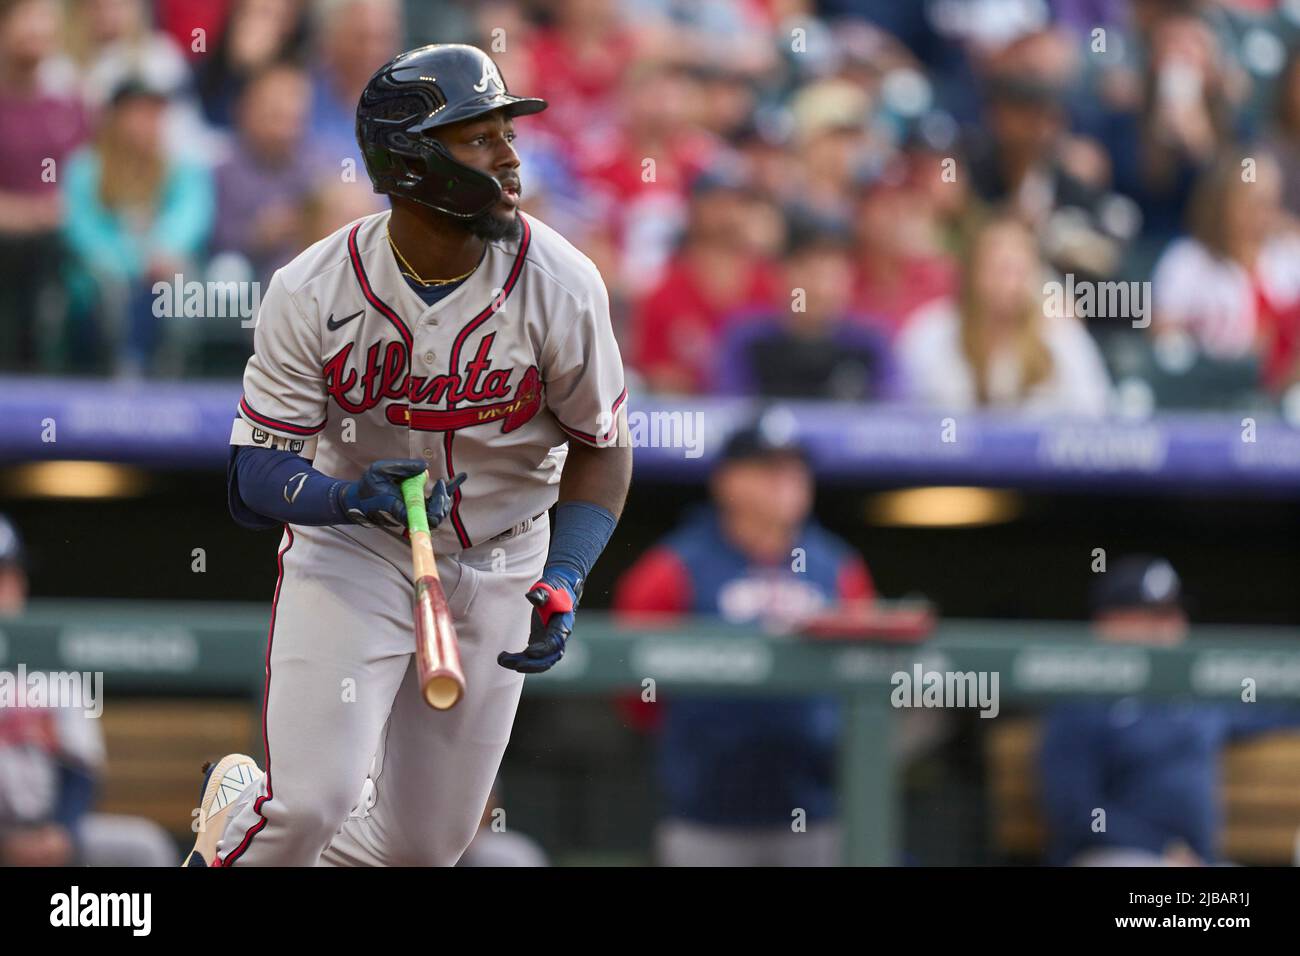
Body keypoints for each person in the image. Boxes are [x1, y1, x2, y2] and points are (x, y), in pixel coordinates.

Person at [187, 44, 631, 868]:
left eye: (506, 132)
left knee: (424, 848)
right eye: (476, 137)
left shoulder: (563, 284)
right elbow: (253, 476)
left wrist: (566, 574)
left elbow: (602, 448)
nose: (509, 157)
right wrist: (347, 500)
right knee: (310, 804)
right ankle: (255, 813)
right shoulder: (312, 289)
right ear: (408, 162)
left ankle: (245, 821)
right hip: (355, 547)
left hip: (504, 554)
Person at [614, 419, 874, 866]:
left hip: (817, 811)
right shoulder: (674, 567)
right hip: (706, 814)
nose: (786, 483)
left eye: (796, 470)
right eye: (768, 469)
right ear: (727, 481)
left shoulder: (837, 567)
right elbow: (632, 689)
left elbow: (869, 679)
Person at [1038, 555, 1300, 866]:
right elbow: (1075, 810)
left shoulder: (1197, 687)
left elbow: (1274, 708)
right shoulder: (1083, 698)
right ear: (1110, 623)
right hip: (1115, 855)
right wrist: (1161, 848)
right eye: (1155, 617)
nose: (1173, 627)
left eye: (1174, 614)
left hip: (1198, 860)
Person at [0, 514, 175, 866]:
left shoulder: (49, 654)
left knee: (144, 848)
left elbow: (81, 768)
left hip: (49, 829)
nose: (12, 585)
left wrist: (61, 831)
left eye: (11, 574)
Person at [60, 76, 214, 376]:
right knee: (111, 288)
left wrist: (163, 251)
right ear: (114, 118)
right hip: (100, 277)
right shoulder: (85, 168)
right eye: (137, 113)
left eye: (154, 114)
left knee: (181, 283)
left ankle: (173, 372)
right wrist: (132, 261)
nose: (146, 123)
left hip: (162, 269)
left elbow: (193, 215)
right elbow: (81, 230)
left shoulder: (180, 167)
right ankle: (119, 370)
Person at [896, 214, 1112, 415]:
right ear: (973, 273)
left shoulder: (1060, 334)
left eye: (1021, 272)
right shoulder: (930, 332)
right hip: (946, 454)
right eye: (1000, 270)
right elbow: (900, 419)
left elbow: (1095, 414)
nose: (1010, 284)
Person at [715, 226, 898, 401]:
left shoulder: (870, 343)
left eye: (831, 274)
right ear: (781, 276)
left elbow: (892, 414)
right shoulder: (749, 339)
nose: (819, 288)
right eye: (808, 272)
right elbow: (729, 408)